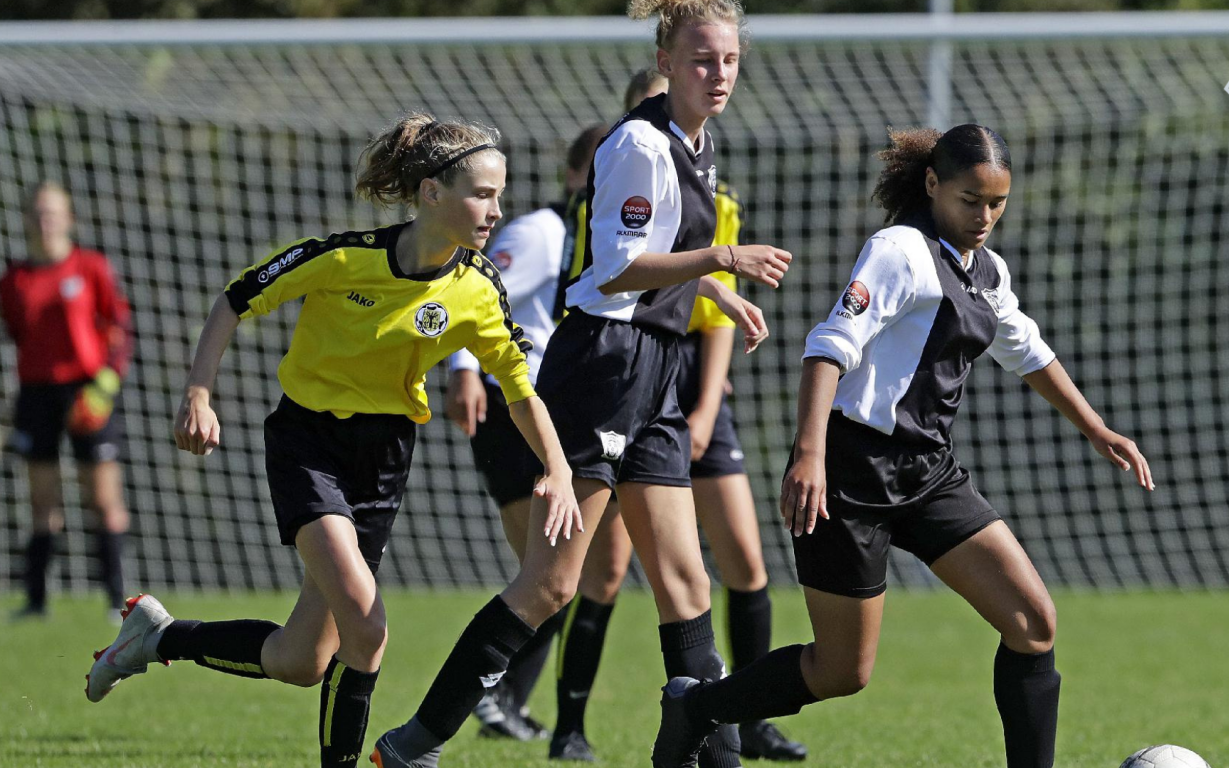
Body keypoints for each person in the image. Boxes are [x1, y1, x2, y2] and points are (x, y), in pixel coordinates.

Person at [83, 113, 579, 768]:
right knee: (367, 628)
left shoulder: (478, 290)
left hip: (384, 462)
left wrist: (560, 470)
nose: (496, 210)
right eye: (482, 193)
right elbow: (235, 300)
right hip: (308, 445)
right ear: (431, 192)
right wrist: (197, 394)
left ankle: (157, 637)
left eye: (500, 194)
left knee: (301, 659)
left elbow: (519, 390)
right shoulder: (342, 258)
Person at [652, 124, 1155, 768]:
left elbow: (1025, 348)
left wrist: (1097, 428)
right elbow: (827, 348)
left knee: (1033, 625)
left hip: (928, 472)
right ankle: (696, 709)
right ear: (932, 184)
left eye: (997, 203)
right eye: (970, 199)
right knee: (842, 671)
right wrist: (808, 456)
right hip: (851, 474)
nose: (984, 216)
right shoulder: (899, 250)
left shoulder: (985, 269)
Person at [370, 2, 790, 766]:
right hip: (602, 369)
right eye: (701, 58)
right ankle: (412, 744)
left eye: (728, 59)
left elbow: (662, 264)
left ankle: (716, 758)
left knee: (686, 584)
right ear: (665, 58)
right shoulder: (638, 143)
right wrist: (724, 262)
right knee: (552, 584)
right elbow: (616, 270)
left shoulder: (699, 145)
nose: (718, 73)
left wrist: (714, 294)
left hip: (658, 368)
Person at [546, 69, 806, 763]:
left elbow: (717, 294)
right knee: (593, 571)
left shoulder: (710, 190)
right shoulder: (621, 170)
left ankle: (739, 724)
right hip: (617, 363)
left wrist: (706, 401)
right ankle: (566, 725)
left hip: (685, 381)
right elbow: (608, 274)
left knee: (741, 560)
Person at [443, 123, 611, 743]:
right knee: (548, 573)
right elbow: (479, 298)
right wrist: (463, 370)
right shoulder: (543, 231)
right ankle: (488, 695)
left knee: (554, 575)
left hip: (553, 417)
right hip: (508, 407)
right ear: (574, 175)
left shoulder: (605, 239)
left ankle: (500, 699)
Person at [1, 182, 132, 622]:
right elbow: (18, 334)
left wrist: (104, 387)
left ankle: (117, 601)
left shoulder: (90, 267)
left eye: (53, 212)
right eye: (38, 212)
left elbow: (118, 328)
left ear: (69, 218)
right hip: (36, 395)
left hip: (86, 392)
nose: (45, 220)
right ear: (27, 219)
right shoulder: (14, 279)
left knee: (103, 499)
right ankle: (36, 603)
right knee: (42, 502)